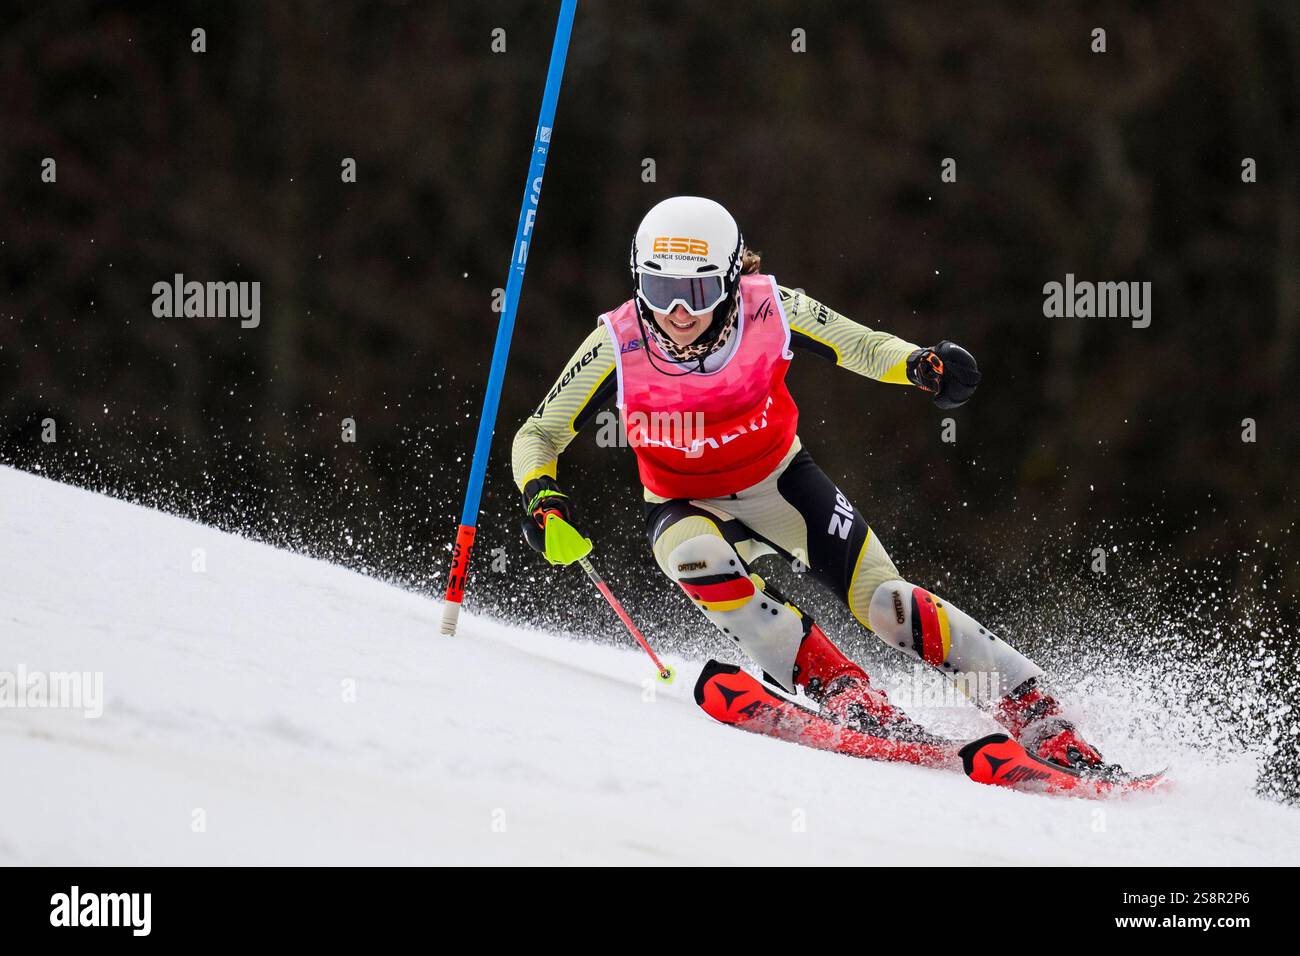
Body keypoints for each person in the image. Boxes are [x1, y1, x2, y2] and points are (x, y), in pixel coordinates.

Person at [511, 195, 1109, 772]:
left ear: (729, 278)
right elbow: (537, 434)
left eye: (696, 291)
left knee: (887, 604)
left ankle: (1038, 713)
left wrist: (921, 366)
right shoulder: (617, 344)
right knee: (698, 557)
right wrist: (543, 498)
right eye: (661, 290)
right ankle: (842, 691)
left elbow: (863, 347)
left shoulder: (769, 308)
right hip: (682, 502)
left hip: (782, 484)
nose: (678, 313)